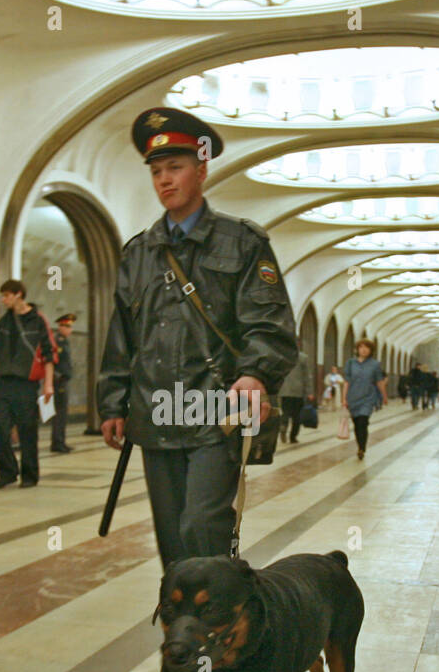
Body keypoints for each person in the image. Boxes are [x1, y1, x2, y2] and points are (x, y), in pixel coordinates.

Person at [97, 107, 297, 569]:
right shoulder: (139, 253)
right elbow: (122, 336)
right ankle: (185, 630)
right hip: (155, 412)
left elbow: (269, 321)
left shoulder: (242, 242)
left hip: (216, 410)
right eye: (157, 171)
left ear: (202, 170)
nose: (165, 180)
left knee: (203, 526)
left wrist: (255, 374)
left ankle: (221, 627)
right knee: (172, 541)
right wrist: (111, 401)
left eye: (176, 168)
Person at [0, 279, 55, 489]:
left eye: (6, 295)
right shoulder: (4, 322)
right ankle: (8, 471)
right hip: (5, 382)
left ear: (18, 295)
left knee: (27, 430)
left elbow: (49, 354)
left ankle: (29, 475)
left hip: (27, 384)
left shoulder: (38, 320)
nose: (3, 300)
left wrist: (48, 384)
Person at [344, 338, 386, 459]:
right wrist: (343, 399)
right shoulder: (350, 363)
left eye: (366, 347)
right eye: (361, 347)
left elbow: (379, 381)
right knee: (357, 424)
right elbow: (347, 382)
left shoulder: (375, 364)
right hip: (353, 397)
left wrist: (384, 396)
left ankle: (362, 448)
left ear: (371, 350)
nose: (363, 350)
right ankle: (360, 445)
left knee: (363, 421)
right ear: (357, 349)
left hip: (368, 398)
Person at [50, 311, 76, 453]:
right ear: (61, 327)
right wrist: (57, 377)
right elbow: (52, 362)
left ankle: (61, 441)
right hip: (59, 382)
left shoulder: (64, 341)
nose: (70, 330)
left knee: (62, 413)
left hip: (63, 380)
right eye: (67, 327)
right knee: (59, 413)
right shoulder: (57, 341)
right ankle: (57, 442)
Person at [279, 348, 314, 443]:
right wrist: (309, 392)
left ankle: (283, 426)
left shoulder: (283, 356)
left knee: (285, 412)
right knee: (297, 416)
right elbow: (307, 376)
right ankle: (293, 437)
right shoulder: (303, 357)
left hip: (285, 391)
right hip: (298, 392)